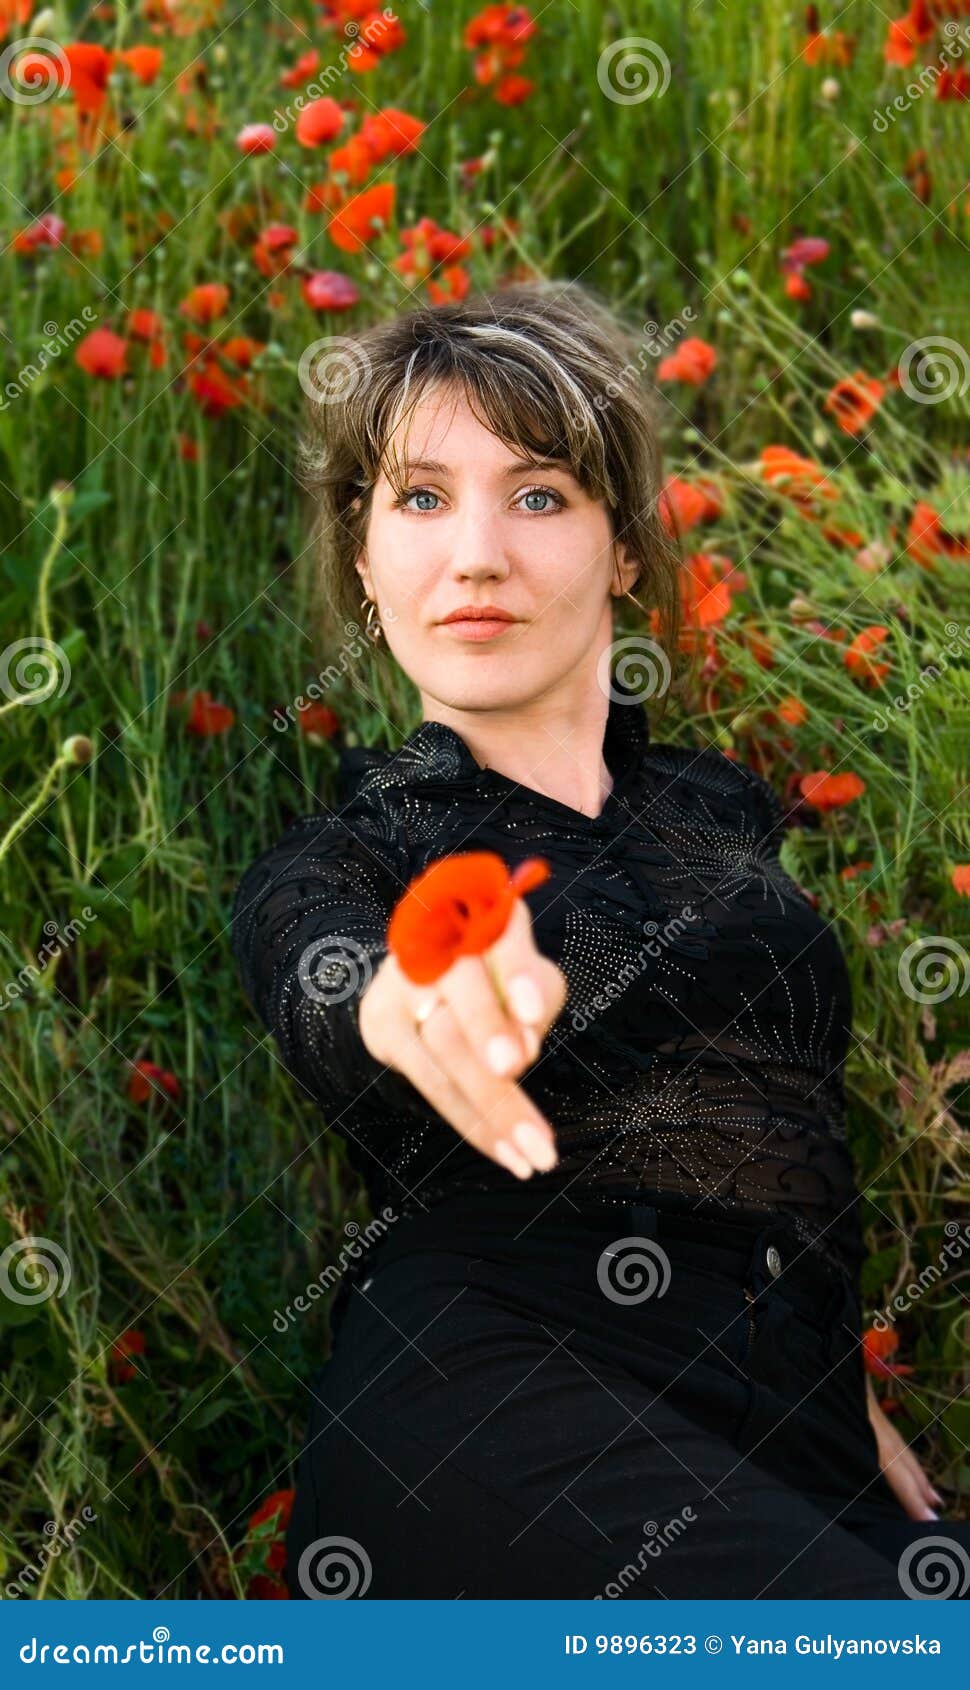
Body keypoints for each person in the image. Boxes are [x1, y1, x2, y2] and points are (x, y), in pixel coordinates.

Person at [231, 282, 969, 1601]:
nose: (472, 555)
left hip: (783, 1438)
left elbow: (761, 1113)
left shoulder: (723, 808)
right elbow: (329, 976)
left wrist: (806, 1345)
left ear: (623, 546)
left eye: (536, 493)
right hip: (493, 1404)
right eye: (416, 498)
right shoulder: (348, 854)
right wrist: (418, 1002)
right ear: (361, 556)